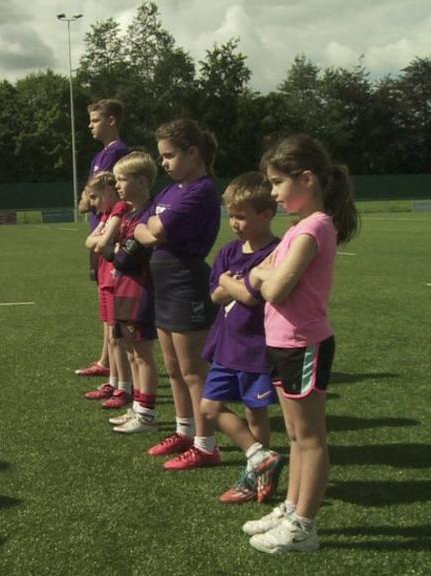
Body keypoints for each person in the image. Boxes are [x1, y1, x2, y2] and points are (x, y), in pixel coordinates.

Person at [243, 134, 359, 553]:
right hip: (283, 342)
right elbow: (263, 273)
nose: (271, 193)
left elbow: (272, 286)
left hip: (303, 344)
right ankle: (292, 508)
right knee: (293, 434)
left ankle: (304, 525)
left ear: (306, 179)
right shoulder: (298, 227)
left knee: (310, 437)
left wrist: (260, 276)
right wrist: (262, 274)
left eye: (277, 183)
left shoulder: (313, 227)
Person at [134, 119, 221, 468]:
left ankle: (206, 445)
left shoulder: (202, 190)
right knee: (173, 367)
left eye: (169, 156)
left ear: (193, 153)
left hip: (188, 282)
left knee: (193, 372)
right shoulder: (170, 191)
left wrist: (151, 229)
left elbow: (155, 228)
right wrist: (150, 229)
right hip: (166, 284)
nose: (164, 163)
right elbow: (143, 227)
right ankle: (185, 432)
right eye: (162, 157)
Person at [196, 172, 284, 500]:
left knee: (255, 412)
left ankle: (257, 478)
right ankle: (259, 457)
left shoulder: (275, 253)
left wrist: (229, 283)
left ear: (267, 214)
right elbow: (215, 295)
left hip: (257, 348)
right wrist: (235, 284)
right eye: (231, 215)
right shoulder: (228, 252)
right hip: (226, 345)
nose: (234, 223)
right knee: (208, 407)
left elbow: (250, 296)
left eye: (242, 217)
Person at [102, 152, 161, 435]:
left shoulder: (149, 214)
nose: (117, 186)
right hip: (125, 287)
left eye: (122, 180)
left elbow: (123, 258)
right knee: (131, 351)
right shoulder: (130, 213)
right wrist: (117, 250)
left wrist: (117, 250)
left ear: (140, 182)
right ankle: (138, 407)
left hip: (141, 289)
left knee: (142, 353)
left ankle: (147, 415)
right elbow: (110, 252)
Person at [77, 99, 132, 380]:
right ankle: (106, 359)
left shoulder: (119, 153)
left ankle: (111, 362)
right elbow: (89, 195)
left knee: (111, 298)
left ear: (112, 120)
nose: (90, 125)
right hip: (97, 230)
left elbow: (102, 195)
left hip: (108, 235)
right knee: (104, 297)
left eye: (95, 120)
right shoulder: (99, 156)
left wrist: (90, 201)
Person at [81, 172, 133, 409]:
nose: (92, 203)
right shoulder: (105, 214)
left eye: (95, 196)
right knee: (111, 338)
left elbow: (100, 243)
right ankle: (114, 382)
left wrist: (102, 239)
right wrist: (101, 238)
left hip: (115, 279)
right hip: (104, 277)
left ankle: (124, 387)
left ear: (108, 191)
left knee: (117, 338)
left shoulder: (119, 208)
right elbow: (90, 242)